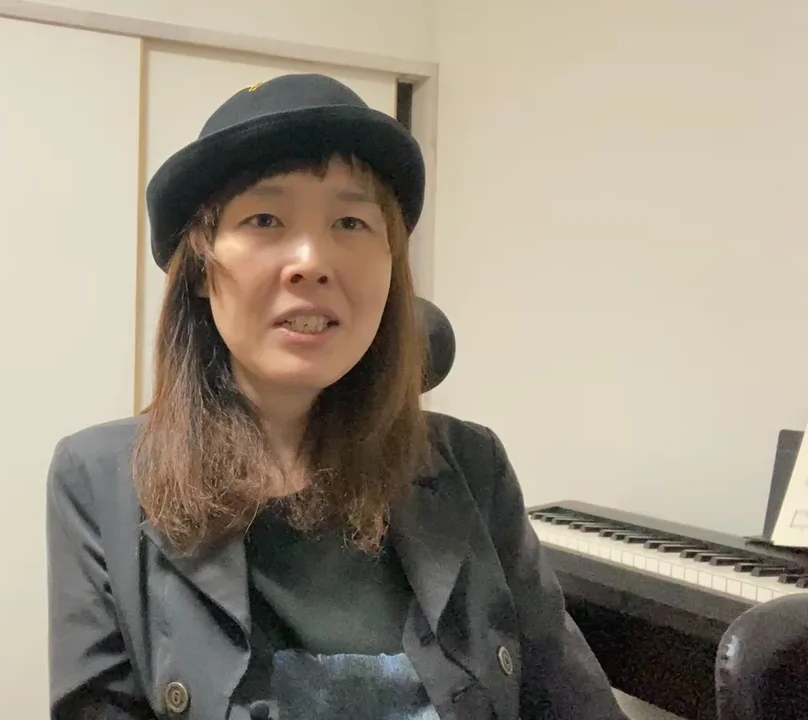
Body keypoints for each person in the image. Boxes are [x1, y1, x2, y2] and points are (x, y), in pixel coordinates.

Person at [46, 73, 628, 720]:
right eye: (264, 219)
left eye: (350, 222)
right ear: (203, 273)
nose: (312, 261)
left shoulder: (473, 466)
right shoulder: (100, 479)